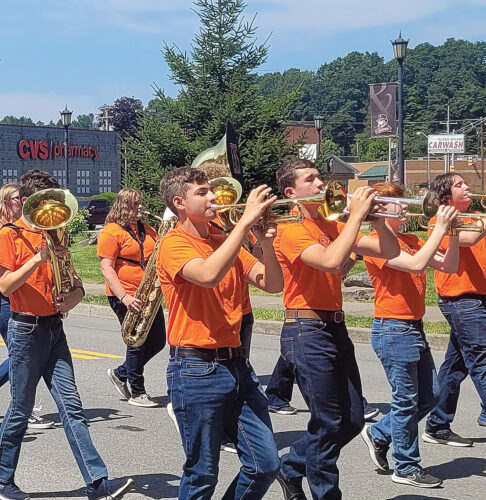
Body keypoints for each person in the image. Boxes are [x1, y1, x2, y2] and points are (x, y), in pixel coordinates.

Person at [0, 169, 133, 500]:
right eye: (42, 202)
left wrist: (73, 296)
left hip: (54, 328)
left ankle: (98, 483)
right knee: (20, 410)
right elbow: (5, 285)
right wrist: (38, 258)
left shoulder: (57, 233)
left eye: (53, 201)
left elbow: (76, 284)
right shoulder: (10, 234)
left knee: (72, 407)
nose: (50, 208)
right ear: (24, 202)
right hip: (25, 328)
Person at [272, 159, 400, 500]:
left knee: (353, 420)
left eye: (319, 178)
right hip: (306, 329)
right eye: (310, 180)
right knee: (327, 421)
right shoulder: (291, 230)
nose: (320, 184)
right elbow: (330, 261)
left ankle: (292, 465)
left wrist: (378, 221)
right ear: (291, 193)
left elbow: (389, 250)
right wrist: (355, 217)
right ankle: (327, 494)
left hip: (334, 329)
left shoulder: (331, 225)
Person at [157, 166, 282, 500]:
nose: (213, 196)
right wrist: (243, 226)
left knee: (266, 465)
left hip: (237, 365)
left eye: (211, 190)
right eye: (202, 192)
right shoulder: (173, 244)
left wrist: (266, 243)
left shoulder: (223, 238)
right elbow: (208, 274)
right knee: (202, 474)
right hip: (196, 370)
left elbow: (272, 284)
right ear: (180, 202)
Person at [358, 182, 459, 488]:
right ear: (380, 208)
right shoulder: (374, 242)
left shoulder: (412, 239)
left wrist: (451, 233)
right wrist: (439, 229)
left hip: (413, 326)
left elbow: (450, 266)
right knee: (406, 401)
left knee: (433, 396)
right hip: (392, 327)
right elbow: (415, 267)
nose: (405, 207)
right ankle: (406, 467)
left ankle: (379, 433)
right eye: (397, 202)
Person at [0, 183, 54, 429]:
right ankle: (21, 409)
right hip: (5, 301)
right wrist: (10, 282)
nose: (24, 202)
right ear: (7, 201)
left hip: (26, 301)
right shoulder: (0, 231)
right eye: (20, 199)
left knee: (25, 356)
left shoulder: (26, 229)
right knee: (24, 357)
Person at [423, 173, 486, 447]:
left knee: (454, 366)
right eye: (459, 184)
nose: (467, 187)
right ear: (446, 195)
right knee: (482, 358)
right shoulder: (440, 221)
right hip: (461, 299)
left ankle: (437, 424)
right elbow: (469, 240)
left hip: (479, 297)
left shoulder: (474, 215)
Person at [99, 188, 166, 408]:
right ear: (123, 206)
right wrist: (125, 297)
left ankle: (121, 373)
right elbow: (107, 268)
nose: (140, 208)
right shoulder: (111, 232)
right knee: (136, 343)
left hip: (148, 294)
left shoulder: (147, 229)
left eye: (140, 203)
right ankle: (138, 392)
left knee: (158, 341)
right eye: (135, 205)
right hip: (125, 294)